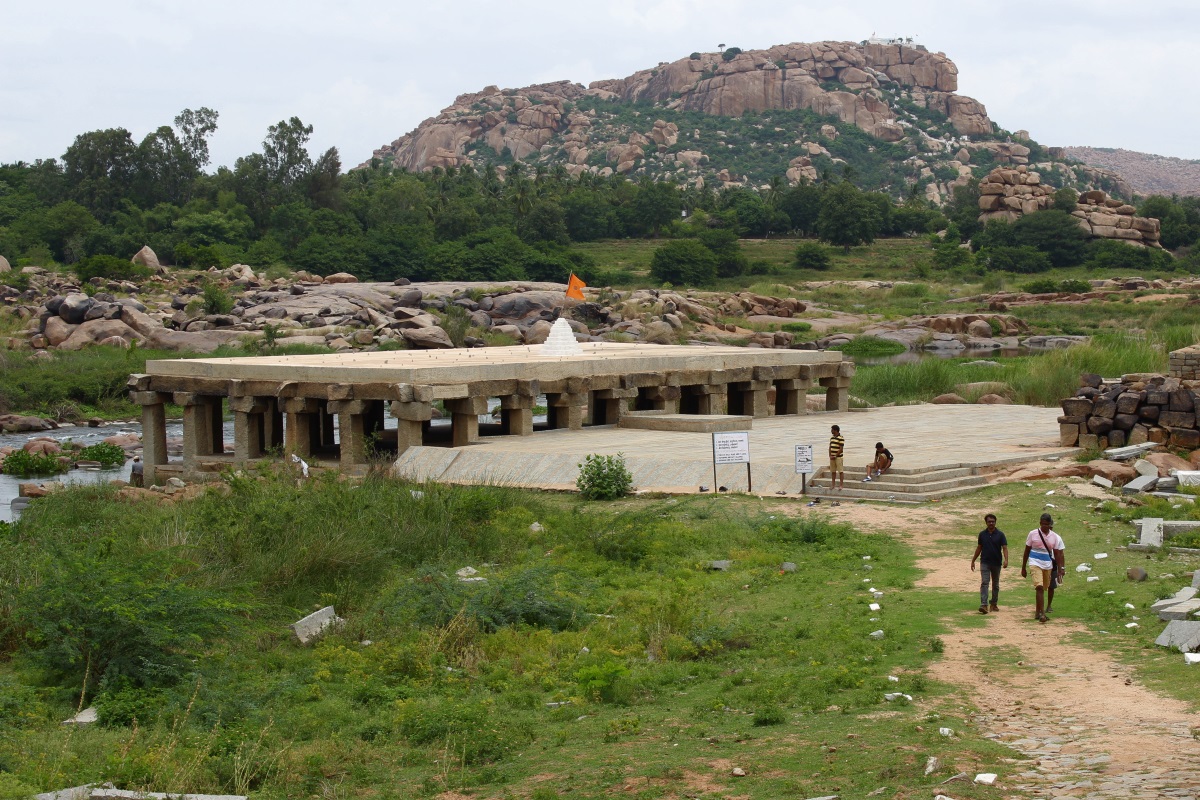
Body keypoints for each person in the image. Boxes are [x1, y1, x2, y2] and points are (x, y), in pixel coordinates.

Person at [1020, 513, 1065, 623]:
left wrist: (1060, 569)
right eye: (1042, 524)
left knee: (1043, 588)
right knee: (1039, 587)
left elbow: (1058, 554)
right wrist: (1023, 567)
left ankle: (1037, 611)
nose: (1044, 526)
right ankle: (1042, 614)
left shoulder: (1054, 537)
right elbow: (1026, 550)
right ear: (1040, 523)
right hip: (1034, 562)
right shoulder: (1032, 534)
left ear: (1050, 524)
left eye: (1046, 524)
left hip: (1047, 564)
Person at [970, 513, 1008, 614]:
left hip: (996, 563)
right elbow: (979, 548)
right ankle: (984, 605)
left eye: (993, 521)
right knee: (984, 583)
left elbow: (1004, 547)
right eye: (989, 521)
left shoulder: (1000, 534)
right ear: (986, 523)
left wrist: (1006, 560)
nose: (991, 523)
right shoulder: (982, 534)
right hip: (985, 562)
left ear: (995, 522)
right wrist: (973, 560)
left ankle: (994, 603)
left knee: (995, 584)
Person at [828, 424, 845, 490]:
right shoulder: (831, 438)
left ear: (835, 430)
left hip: (838, 457)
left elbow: (841, 449)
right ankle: (833, 484)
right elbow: (830, 447)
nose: (831, 431)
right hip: (832, 457)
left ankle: (841, 485)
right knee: (833, 471)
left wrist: (835, 456)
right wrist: (830, 455)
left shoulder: (841, 438)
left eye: (832, 430)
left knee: (840, 471)